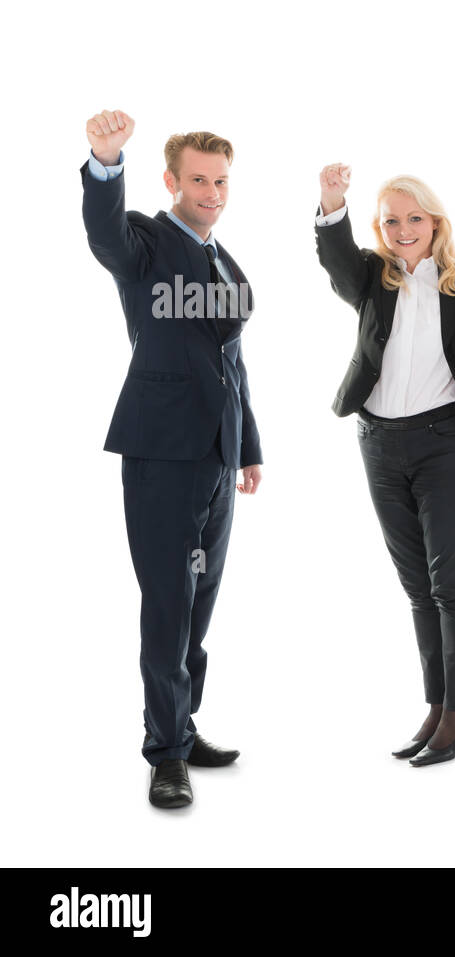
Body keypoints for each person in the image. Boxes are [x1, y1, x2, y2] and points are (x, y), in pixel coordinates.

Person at [81, 110, 262, 809]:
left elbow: (233, 364)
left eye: (221, 180)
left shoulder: (224, 260)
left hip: (217, 459)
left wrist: (248, 447)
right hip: (162, 454)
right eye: (199, 180)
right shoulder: (149, 243)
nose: (212, 191)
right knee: (168, 602)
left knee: (200, 599)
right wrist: (104, 164)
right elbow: (106, 234)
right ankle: (165, 756)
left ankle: (181, 724)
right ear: (171, 180)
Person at [315, 164, 455, 767]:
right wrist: (331, 202)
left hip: (448, 443)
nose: (403, 229)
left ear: (435, 222)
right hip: (378, 442)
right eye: (391, 220)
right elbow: (334, 257)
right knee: (417, 587)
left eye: (414, 218)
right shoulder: (372, 280)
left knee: (450, 582)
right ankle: (438, 705)